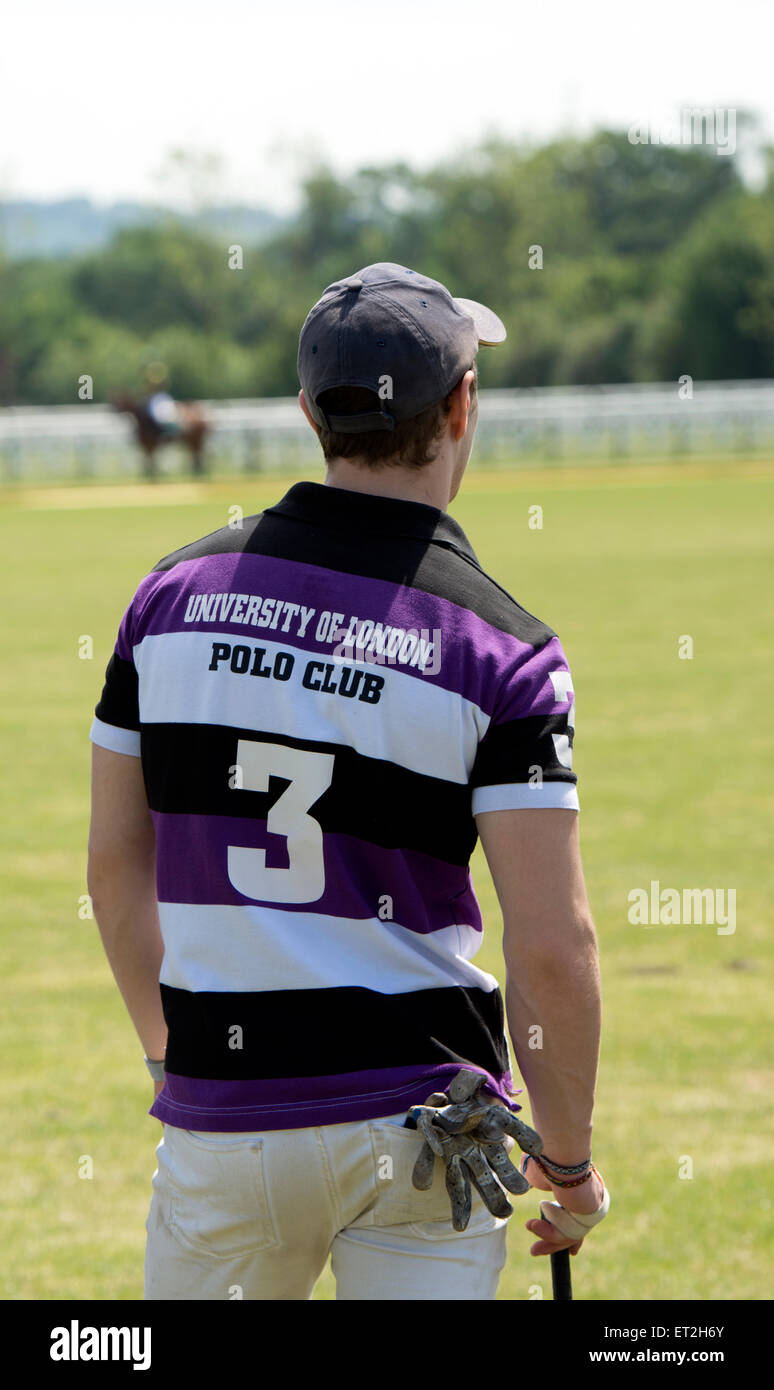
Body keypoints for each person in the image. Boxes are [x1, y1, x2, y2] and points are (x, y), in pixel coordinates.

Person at [87, 262, 608, 1301]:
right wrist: (570, 1161)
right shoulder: (506, 649)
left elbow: (114, 867)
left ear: (305, 412)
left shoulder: (167, 603)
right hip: (422, 1125)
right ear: (463, 406)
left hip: (222, 1116)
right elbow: (551, 945)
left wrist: (171, 1056)